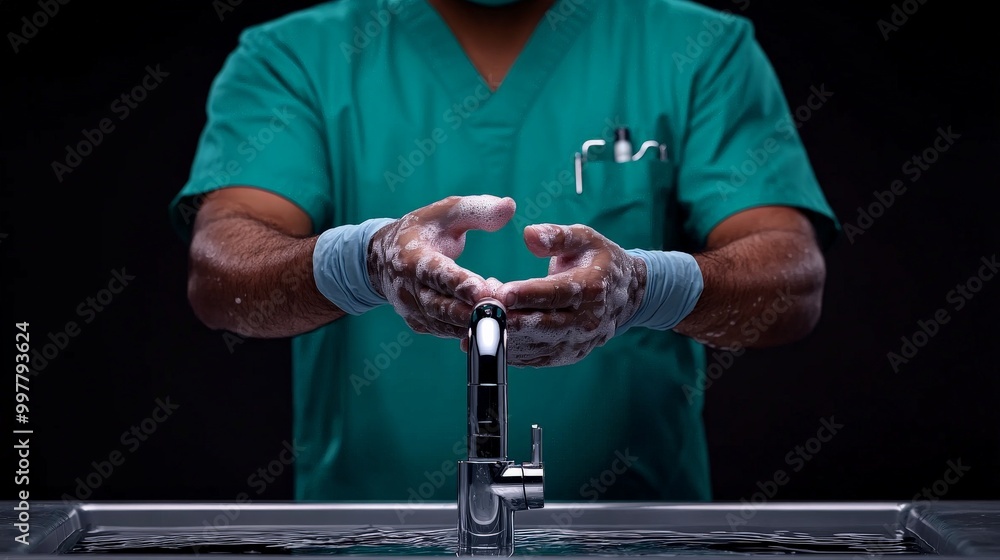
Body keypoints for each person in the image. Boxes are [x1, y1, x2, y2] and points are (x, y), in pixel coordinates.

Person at [169, 0, 839, 503]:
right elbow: (220, 269)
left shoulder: (697, 48)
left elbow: (792, 279)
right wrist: (362, 259)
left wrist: (646, 285)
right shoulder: (293, 57)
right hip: (364, 543)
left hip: (638, 541)